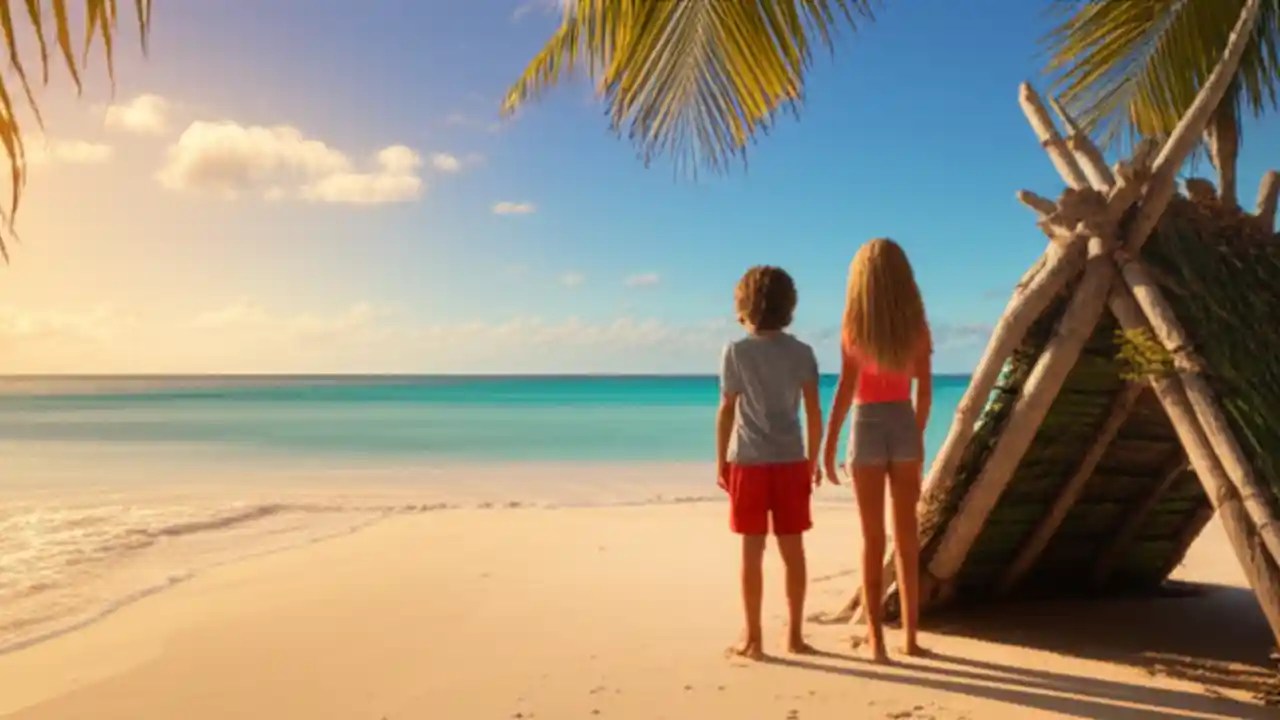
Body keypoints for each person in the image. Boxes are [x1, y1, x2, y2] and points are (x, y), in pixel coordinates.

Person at [822, 238, 932, 664]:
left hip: (866, 424)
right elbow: (924, 392)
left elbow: (846, 387)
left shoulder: (853, 326)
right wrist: (916, 438)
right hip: (903, 421)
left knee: (872, 537)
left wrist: (829, 443)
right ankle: (910, 637)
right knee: (907, 538)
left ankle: (875, 640)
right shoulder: (916, 326)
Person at [716, 265, 825, 660]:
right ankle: (794, 636)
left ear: (744, 305)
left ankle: (753, 638)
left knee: (752, 551)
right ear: (788, 305)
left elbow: (727, 409)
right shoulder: (802, 352)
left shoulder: (736, 351)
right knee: (793, 550)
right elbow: (813, 411)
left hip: (749, 460)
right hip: (791, 459)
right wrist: (812, 459)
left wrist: (721, 461)